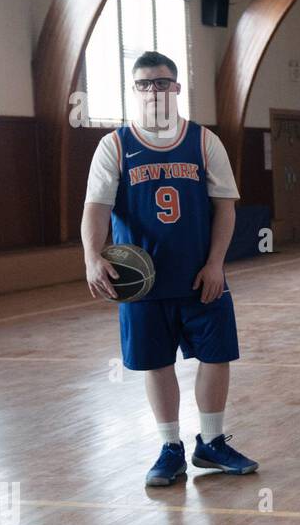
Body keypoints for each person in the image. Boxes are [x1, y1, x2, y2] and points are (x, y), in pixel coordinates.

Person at [82, 50, 258, 486]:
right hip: (141, 283)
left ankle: (212, 443)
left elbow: (226, 208)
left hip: (202, 274)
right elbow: (96, 209)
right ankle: (169, 448)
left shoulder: (203, 141)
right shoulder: (116, 145)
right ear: (135, 89)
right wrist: (91, 255)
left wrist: (217, 262)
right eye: (145, 84)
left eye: (162, 82)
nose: (154, 90)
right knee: (155, 362)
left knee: (217, 357)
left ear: (176, 87)